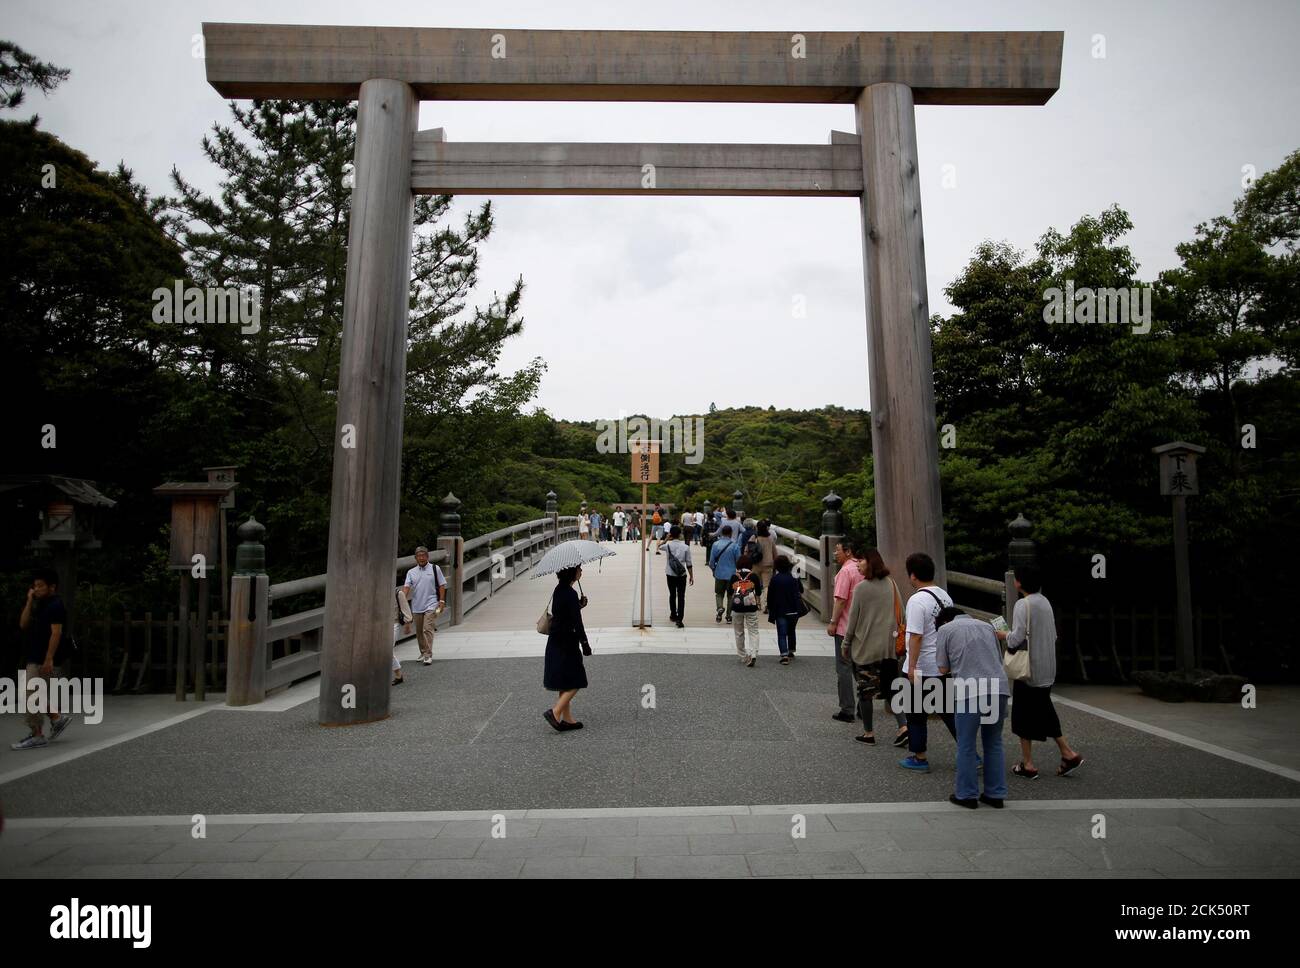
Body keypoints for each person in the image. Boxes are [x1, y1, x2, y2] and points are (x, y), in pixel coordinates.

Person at [995, 565, 1083, 779]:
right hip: (1047, 666)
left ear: (1019, 582)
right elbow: (1052, 635)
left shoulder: (1022, 605)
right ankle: (1067, 753)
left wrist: (1002, 634)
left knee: (1023, 715)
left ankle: (1029, 764)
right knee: (1044, 709)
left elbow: (1016, 639)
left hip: (1029, 669)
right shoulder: (1045, 602)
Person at [936, 606, 1010, 807]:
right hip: (998, 688)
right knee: (994, 742)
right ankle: (995, 794)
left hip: (970, 690)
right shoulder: (987, 627)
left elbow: (942, 668)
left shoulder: (945, 630)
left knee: (966, 744)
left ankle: (967, 795)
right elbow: (996, 657)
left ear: (943, 622)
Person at [840, 549, 908, 746]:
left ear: (871, 563)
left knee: (865, 691)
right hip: (888, 649)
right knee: (891, 689)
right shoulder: (892, 584)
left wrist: (845, 644)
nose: (858, 564)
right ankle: (903, 727)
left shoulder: (861, 588)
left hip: (866, 649)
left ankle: (868, 733)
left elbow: (852, 621)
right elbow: (902, 615)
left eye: (861, 560)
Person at [898, 552, 957, 772]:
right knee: (948, 712)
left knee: (915, 713)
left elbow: (915, 635)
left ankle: (919, 757)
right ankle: (971, 752)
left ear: (913, 575)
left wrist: (911, 667)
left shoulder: (916, 600)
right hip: (942, 664)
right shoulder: (945, 596)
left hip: (921, 665)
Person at [11, 568, 72, 751]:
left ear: (52, 587)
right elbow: (23, 624)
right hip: (33, 655)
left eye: (40, 586)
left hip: (42, 658)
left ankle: (38, 735)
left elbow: (56, 633)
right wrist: (29, 601)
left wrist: (49, 659)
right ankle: (56, 719)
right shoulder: (40, 604)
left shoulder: (56, 605)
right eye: (34, 586)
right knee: (32, 694)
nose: (36, 589)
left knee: (30, 694)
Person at [543, 565, 593, 731]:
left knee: (565, 681)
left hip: (555, 640)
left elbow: (564, 613)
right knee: (576, 679)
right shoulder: (570, 594)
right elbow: (577, 623)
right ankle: (555, 712)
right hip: (567, 642)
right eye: (579, 569)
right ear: (571, 572)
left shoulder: (559, 590)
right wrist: (585, 643)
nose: (581, 571)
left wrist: (579, 605)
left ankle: (568, 719)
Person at [827, 539, 864, 725]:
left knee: (844, 668)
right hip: (863, 628)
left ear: (848, 552)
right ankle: (864, 707)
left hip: (845, 627)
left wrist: (833, 622)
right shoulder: (863, 569)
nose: (835, 553)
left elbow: (841, 600)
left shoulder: (846, 571)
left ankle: (847, 709)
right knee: (861, 669)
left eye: (838, 550)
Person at [403, 546, 447, 666]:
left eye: (423, 555)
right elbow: (406, 588)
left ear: (427, 556)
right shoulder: (411, 572)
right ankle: (423, 652)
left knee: (427, 628)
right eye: (419, 556)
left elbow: (442, 584)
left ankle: (428, 655)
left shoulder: (434, 568)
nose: (421, 558)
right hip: (417, 605)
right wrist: (402, 599)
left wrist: (441, 601)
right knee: (419, 631)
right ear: (415, 558)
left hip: (431, 603)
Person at [766, 555, 805, 664]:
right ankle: (791, 651)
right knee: (791, 630)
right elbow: (801, 590)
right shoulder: (794, 576)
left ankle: (784, 655)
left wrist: (769, 608)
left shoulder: (775, 579)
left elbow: (770, 596)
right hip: (794, 609)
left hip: (780, 610)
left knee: (782, 633)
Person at [729, 555, 763, 667]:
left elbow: (729, 592)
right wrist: (758, 603)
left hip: (737, 607)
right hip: (751, 607)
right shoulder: (754, 576)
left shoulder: (734, 576)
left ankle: (743, 656)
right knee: (753, 630)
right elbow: (758, 592)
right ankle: (753, 654)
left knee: (739, 632)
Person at [708, 524, 742, 623]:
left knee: (719, 593)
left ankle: (719, 608)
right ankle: (729, 616)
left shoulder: (716, 544)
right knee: (731, 595)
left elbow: (711, 562)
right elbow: (739, 561)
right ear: (731, 533)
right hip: (732, 575)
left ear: (722, 533)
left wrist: (714, 570)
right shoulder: (735, 545)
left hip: (719, 573)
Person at [663, 525, 694, 627]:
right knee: (681, 596)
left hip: (670, 574)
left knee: (672, 594)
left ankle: (673, 614)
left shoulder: (667, 546)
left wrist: (667, 538)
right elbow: (689, 563)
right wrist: (691, 576)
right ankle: (680, 619)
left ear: (671, 534)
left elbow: (659, 546)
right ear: (680, 534)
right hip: (682, 575)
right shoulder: (686, 547)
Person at [751, 521, 777, 610]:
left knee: (755, 584)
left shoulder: (754, 538)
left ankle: (757, 603)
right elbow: (775, 552)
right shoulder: (770, 538)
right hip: (768, 564)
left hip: (755, 564)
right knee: (766, 585)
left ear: (757, 528)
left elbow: (747, 550)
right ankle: (766, 603)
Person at [392, 583, 414, 685]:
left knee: (388, 651)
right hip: (380, 626)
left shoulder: (398, 593)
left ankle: (398, 674)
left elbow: (405, 609)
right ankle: (398, 675)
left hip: (393, 624)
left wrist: (408, 624)